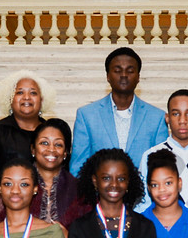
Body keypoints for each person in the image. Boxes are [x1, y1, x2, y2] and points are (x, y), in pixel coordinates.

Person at [69, 47, 167, 176]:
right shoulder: (87, 115)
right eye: (117, 70)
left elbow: (162, 168)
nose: (124, 75)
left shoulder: (157, 118)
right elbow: (78, 167)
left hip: (143, 194)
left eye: (130, 71)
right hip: (99, 195)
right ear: (108, 76)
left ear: (138, 77)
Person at [0, 71, 55, 200]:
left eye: (33, 92)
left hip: (47, 204)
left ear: (42, 100)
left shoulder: (52, 132)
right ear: (10, 99)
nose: (27, 97)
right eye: (20, 92)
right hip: (6, 206)